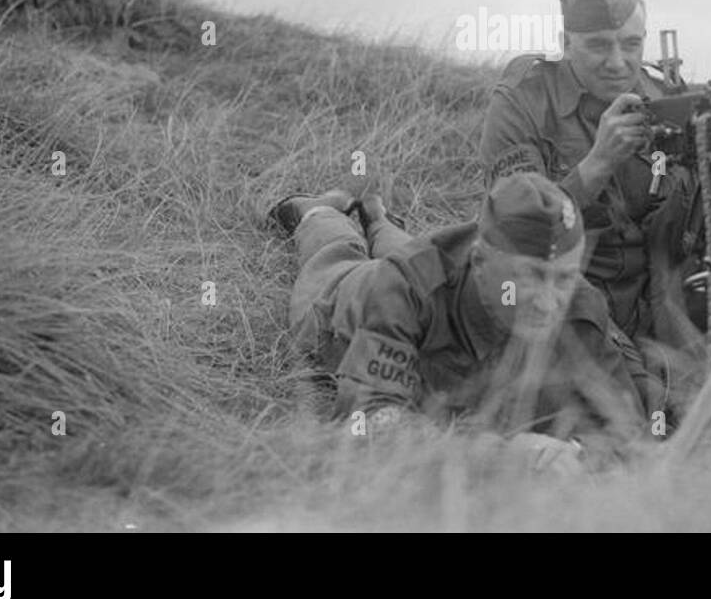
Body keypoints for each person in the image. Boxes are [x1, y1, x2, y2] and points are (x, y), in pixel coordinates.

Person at [274, 172, 662, 468]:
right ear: (479, 262)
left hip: (439, 266)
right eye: (527, 278)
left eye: (562, 278)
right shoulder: (406, 287)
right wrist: (498, 458)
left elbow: (627, 433)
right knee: (338, 253)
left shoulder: (579, 305)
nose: (547, 302)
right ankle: (320, 210)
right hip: (347, 300)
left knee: (407, 249)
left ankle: (378, 218)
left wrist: (577, 454)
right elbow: (369, 420)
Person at [478, 0, 700, 355]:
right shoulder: (524, 99)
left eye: (631, 45)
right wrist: (597, 165)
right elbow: (516, 230)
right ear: (566, 43)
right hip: (563, 292)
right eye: (598, 45)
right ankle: (353, 223)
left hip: (658, 294)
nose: (617, 63)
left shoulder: (664, 97)